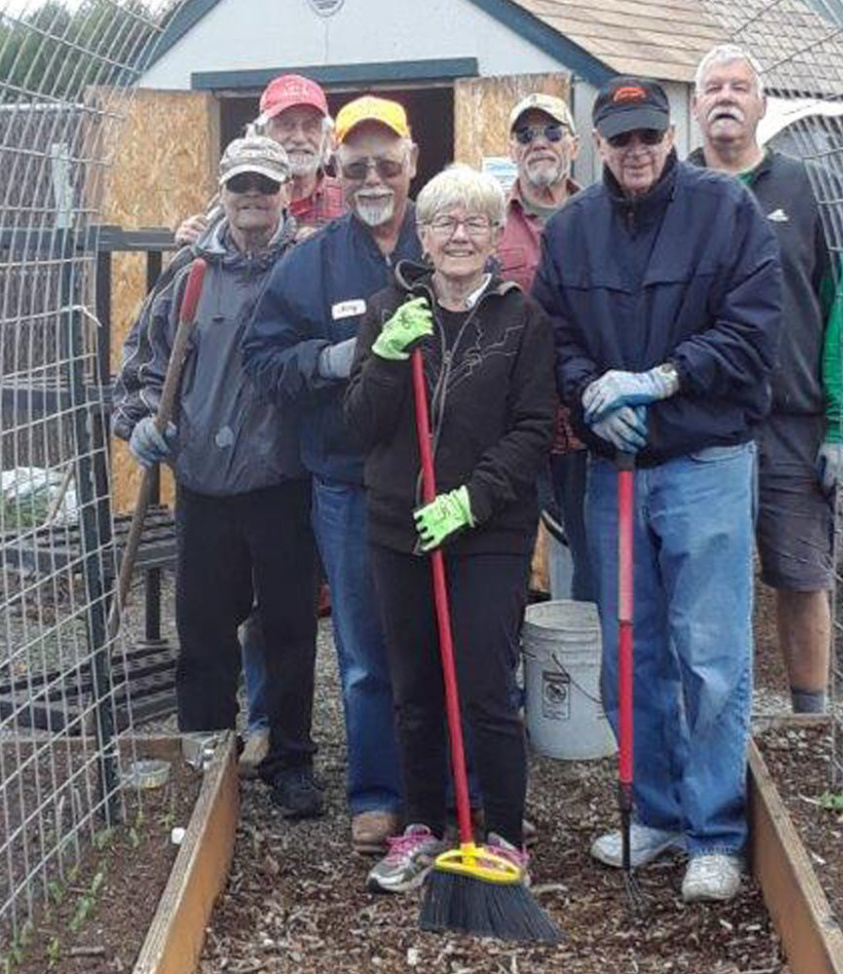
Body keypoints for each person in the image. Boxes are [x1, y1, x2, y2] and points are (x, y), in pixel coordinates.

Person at [533, 77, 781, 901]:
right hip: (618, 471)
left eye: (648, 137)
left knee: (708, 654)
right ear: (596, 144)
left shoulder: (725, 212)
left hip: (706, 462)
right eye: (620, 139)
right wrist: (592, 399)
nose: (635, 152)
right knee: (629, 652)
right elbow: (554, 337)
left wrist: (664, 379)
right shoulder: (572, 232)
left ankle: (715, 830)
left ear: (668, 135)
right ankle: (659, 812)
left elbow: (752, 332)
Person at [344, 165, 556, 893]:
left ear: (498, 237)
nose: (459, 234)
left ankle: (503, 833)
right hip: (398, 530)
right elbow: (361, 427)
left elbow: (532, 432)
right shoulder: (388, 311)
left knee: (485, 687)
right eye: (444, 222)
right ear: (423, 236)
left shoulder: (520, 319)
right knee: (414, 689)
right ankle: (420, 827)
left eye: (476, 222)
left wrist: (470, 499)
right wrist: (381, 356)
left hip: (486, 533)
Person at [111, 136, 322, 818]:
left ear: (286, 189)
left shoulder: (309, 265)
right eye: (241, 186)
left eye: (265, 185)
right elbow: (142, 368)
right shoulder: (189, 275)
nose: (253, 197)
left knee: (289, 632)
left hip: (284, 484)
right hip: (202, 485)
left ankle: (289, 760)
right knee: (202, 635)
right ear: (223, 193)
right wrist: (143, 422)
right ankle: (206, 759)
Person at [243, 96, 421, 854]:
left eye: (387, 162)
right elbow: (262, 358)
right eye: (357, 166)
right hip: (347, 487)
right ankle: (378, 794)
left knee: (447, 640)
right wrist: (329, 359)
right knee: (363, 652)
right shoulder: (311, 262)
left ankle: (441, 790)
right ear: (335, 172)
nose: (372, 176)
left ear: (412, 162)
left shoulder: (444, 236)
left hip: (438, 484)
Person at [689, 45, 843, 715]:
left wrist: (842, 423)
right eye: (713, 88)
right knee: (705, 586)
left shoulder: (806, 188)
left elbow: (842, 302)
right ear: (695, 106)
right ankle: (717, 722)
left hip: (791, 422)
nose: (726, 97)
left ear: (762, 104)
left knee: (801, 575)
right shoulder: (677, 190)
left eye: (740, 86)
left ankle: (810, 720)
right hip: (702, 423)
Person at [497, 93, 592, 602]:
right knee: (512, 569)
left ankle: (586, 675)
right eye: (526, 135)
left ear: (574, 145)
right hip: (511, 426)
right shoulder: (489, 223)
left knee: (587, 564)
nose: (540, 144)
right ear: (512, 150)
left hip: (582, 428)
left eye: (552, 133)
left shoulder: (600, 215)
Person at [176, 73, 344, 245]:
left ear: (325, 136)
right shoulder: (236, 198)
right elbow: (212, 250)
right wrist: (195, 238)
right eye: (286, 125)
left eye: (310, 126)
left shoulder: (348, 201)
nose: (299, 138)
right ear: (260, 134)